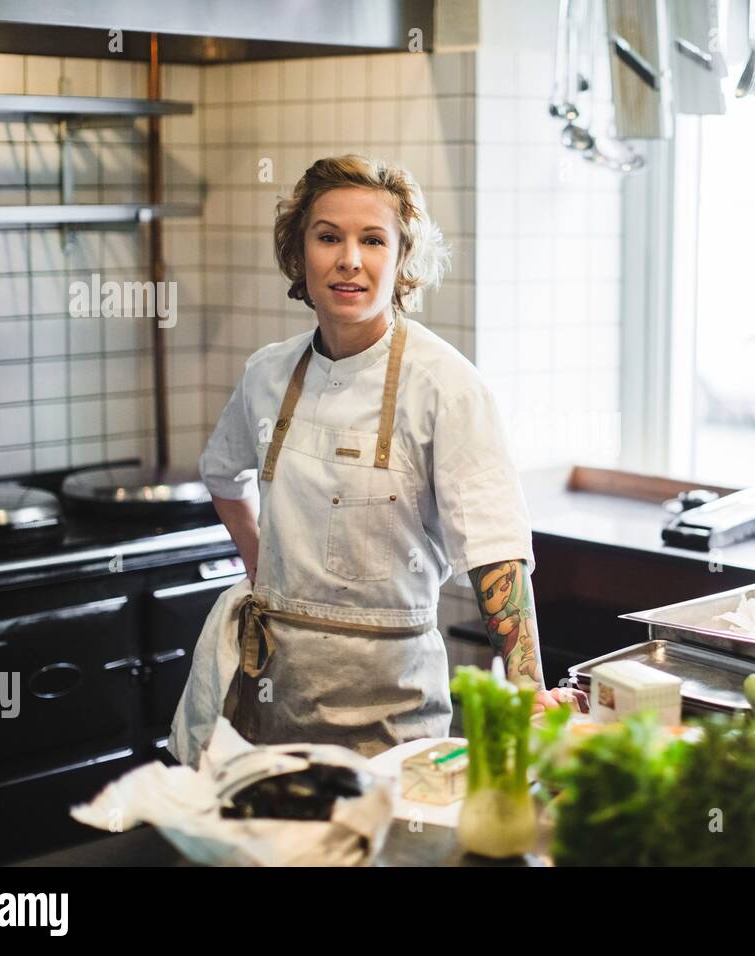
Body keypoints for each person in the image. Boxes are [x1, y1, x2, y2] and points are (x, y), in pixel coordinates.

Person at [197, 154, 583, 757]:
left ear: (402, 259)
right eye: (329, 238)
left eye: (373, 240)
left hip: (393, 716)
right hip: (274, 700)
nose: (349, 259)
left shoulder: (447, 386)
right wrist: (261, 568)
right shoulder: (266, 374)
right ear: (299, 256)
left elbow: (494, 549)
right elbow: (223, 474)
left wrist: (528, 685)